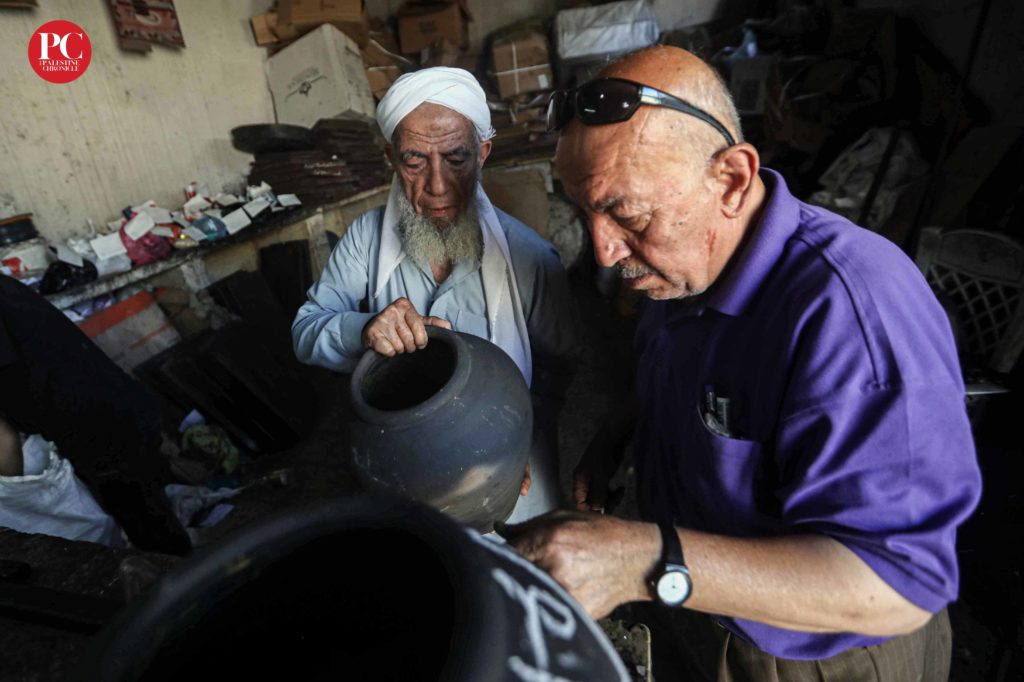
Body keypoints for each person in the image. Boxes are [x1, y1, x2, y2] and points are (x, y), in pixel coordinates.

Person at [497, 46, 981, 680]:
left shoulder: (853, 314)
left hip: (828, 653)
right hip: (708, 605)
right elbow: (685, 369)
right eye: (583, 211)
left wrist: (644, 559)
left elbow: (899, 581)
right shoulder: (682, 265)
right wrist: (624, 429)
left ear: (729, 179)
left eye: (627, 213)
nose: (607, 253)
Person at [292, 67, 576, 522]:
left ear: (483, 153)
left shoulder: (532, 259)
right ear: (391, 158)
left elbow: (556, 371)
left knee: (523, 566)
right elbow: (305, 330)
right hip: (397, 462)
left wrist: (517, 441)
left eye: (457, 158)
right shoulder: (364, 240)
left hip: (509, 463)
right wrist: (364, 329)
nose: (438, 185)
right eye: (415, 161)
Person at [0, 274, 190, 554]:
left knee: (157, 555)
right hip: (103, 416)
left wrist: (18, 502)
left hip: (99, 431)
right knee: (149, 534)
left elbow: (4, 445)